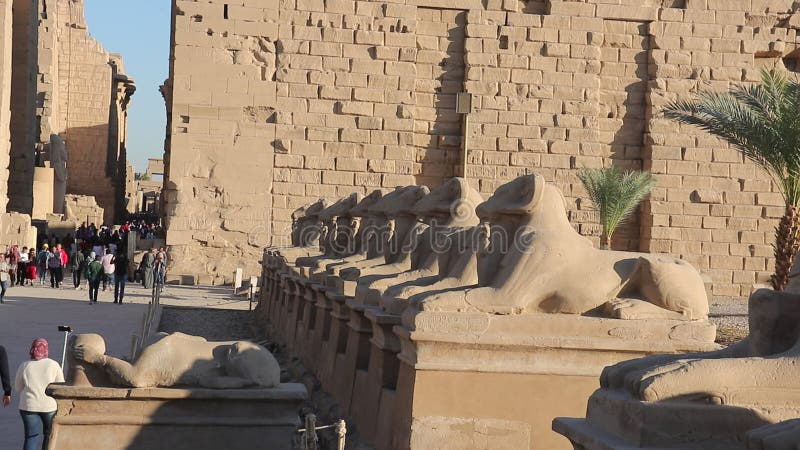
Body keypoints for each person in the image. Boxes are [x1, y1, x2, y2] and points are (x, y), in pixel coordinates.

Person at [15, 339, 64, 450]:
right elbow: (60, 387)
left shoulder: (24, 365)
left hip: (28, 406)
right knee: (49, 435)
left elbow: (18, 388)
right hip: (49, 406)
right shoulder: (54, 364)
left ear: (33, 348)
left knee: (30, 437)